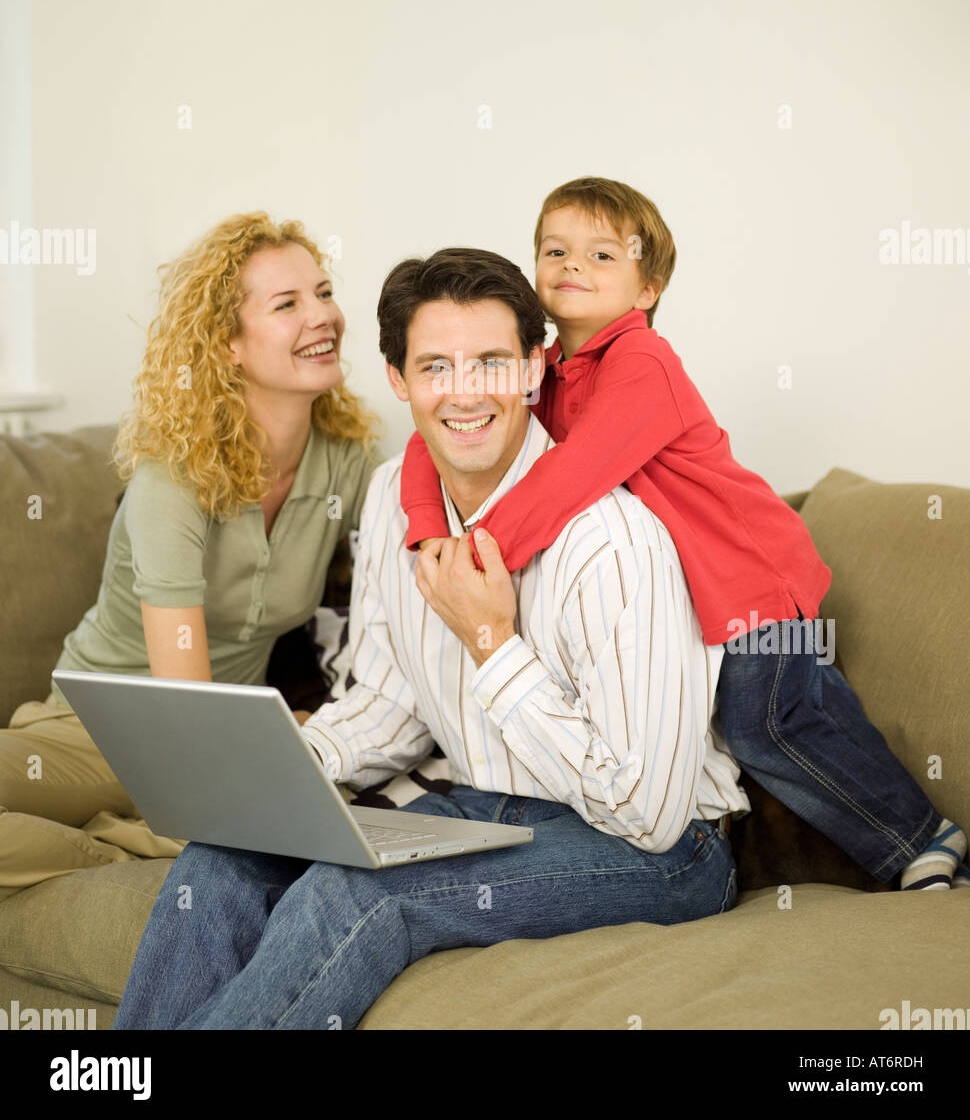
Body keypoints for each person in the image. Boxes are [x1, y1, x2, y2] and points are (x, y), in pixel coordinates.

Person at [112, 247, 748, 1030]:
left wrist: (491, 642)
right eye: (436, 366)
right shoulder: (391, 498)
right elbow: (392, 699)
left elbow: (646, 813)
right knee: (220, 858)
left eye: (489, 362)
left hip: (662, 853)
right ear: (397, 380)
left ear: (532, 370)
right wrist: (288, 767)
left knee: (357, 893)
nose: (464, 392)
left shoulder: (611, 544)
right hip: (483, 809)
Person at [399, 176, 968, 892]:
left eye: (602, 256)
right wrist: (427, 539)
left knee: (770, 722)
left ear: (648, 288)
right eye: (555, 250)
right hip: (704, 600)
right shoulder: (545, 368)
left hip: (755, 580)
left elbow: (569, 475)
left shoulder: (641, 364)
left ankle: (916, 839)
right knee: (777, 717)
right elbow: (432, 435)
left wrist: (478, 558)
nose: (573, 266)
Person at [0, 212, 382, 901]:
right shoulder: (175, 471)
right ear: (227, 345)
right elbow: (186, 708)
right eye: (287, 303)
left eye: (323, 292)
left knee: (274, 837)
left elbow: (417, 551)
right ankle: (129, 844)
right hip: (94, 732)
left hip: (225, 751)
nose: (322, 315)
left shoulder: (347, 458)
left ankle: (136, 836)